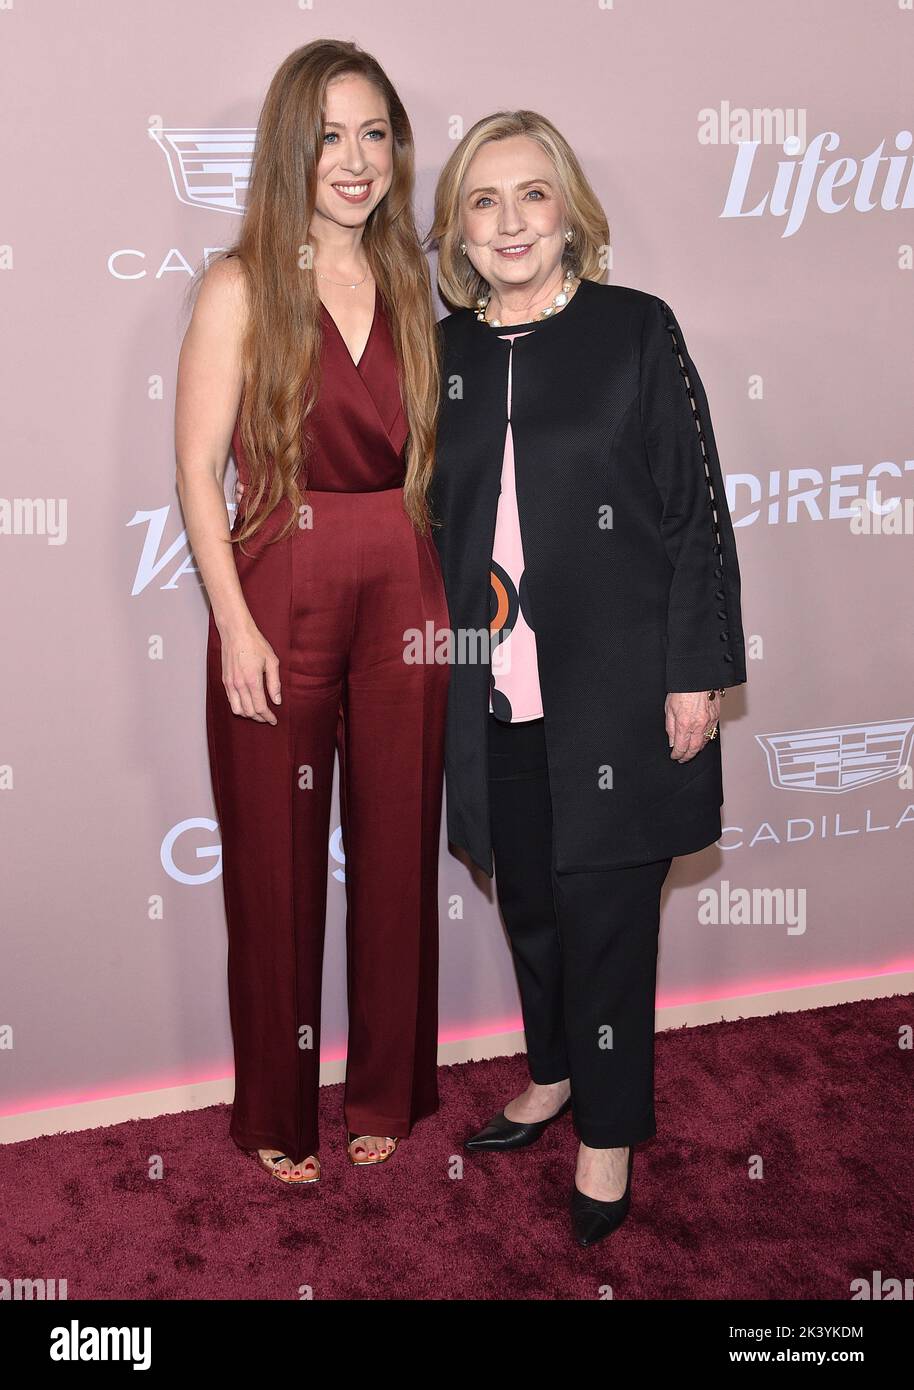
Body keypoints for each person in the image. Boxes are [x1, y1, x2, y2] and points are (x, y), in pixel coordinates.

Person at [427, 110, 747, 1245]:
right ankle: (553, 1072)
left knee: (608, 920)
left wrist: (694, 669)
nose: (509, 222)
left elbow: (691, 509)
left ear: (569, 215)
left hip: (615, 690)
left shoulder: (632, 331)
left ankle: (607, 1132)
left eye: (531, 195)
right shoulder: (446, 353)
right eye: (482, 199)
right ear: (456, 230)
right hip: (493, 689)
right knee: (534, 910)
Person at [175, 40, 448, 1184]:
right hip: (277, 578)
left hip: (407, 578)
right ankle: (276, 1113)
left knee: (396, 851)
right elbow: (197, 471)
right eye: (331, 134)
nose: (355, 158)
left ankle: (388, 1086)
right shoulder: (240, 282)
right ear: (293, 145)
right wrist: (237, 625)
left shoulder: (413, 283)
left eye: (374, 133)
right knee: (273, 865)